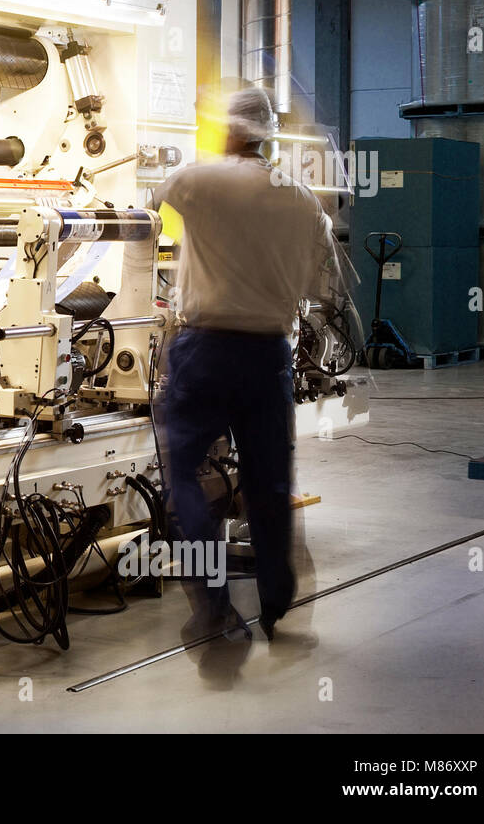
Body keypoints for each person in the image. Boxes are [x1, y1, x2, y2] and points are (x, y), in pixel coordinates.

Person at [150, 87, 333, 642]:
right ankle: (276, 600)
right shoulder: (300, 196)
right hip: (266, 353)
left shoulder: (197, 181)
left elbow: (147, 207)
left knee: (182, 472)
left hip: (203, 350)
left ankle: (212, 603)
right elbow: (321, 280)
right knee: (268, 481)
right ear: (268, 135)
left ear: (226, 131)